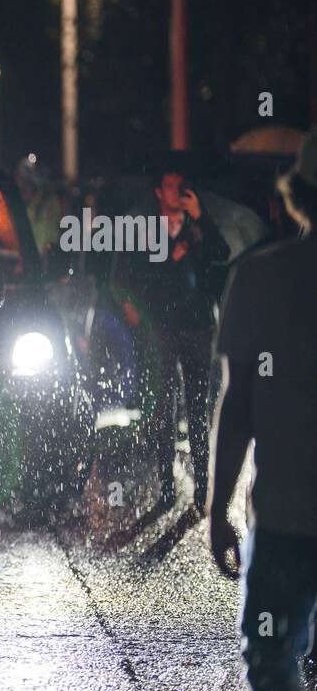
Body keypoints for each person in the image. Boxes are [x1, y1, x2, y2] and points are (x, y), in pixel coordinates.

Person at [208, 129, 317, 691]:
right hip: (285, 512)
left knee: (270, 647)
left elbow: (239, 405)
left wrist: (217, 506)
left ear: (297, 194)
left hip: (287, 513)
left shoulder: (259, 277)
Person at [116, 167, 230, 512]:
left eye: (182, 184)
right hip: (160, 326)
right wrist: (130, 307)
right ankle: (166, 482)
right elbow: (123, 270)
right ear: (158, 192)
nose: (176, 190)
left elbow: (220, 252)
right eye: (170, 185)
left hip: (196, 326)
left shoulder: (198, 227)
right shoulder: (145, 228)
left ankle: (202, 485)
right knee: (162, 407)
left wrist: (200, 217)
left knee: (198, 408)